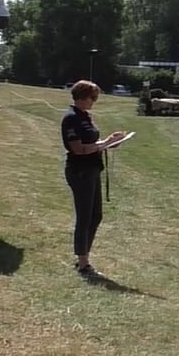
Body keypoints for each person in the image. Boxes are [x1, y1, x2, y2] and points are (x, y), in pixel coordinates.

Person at [63, 80, 128, 276]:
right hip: (80, 171)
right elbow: (78, 148)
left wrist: (110, 142)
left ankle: (83, 255)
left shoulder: (85, 116)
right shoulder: (71, 118)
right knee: (85, 216)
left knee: (96, 215)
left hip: (92, 169)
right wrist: (105, 143)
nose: (94, 101)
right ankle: (83, 263)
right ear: (81, 97)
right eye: (93, 97)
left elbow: (92, 143)